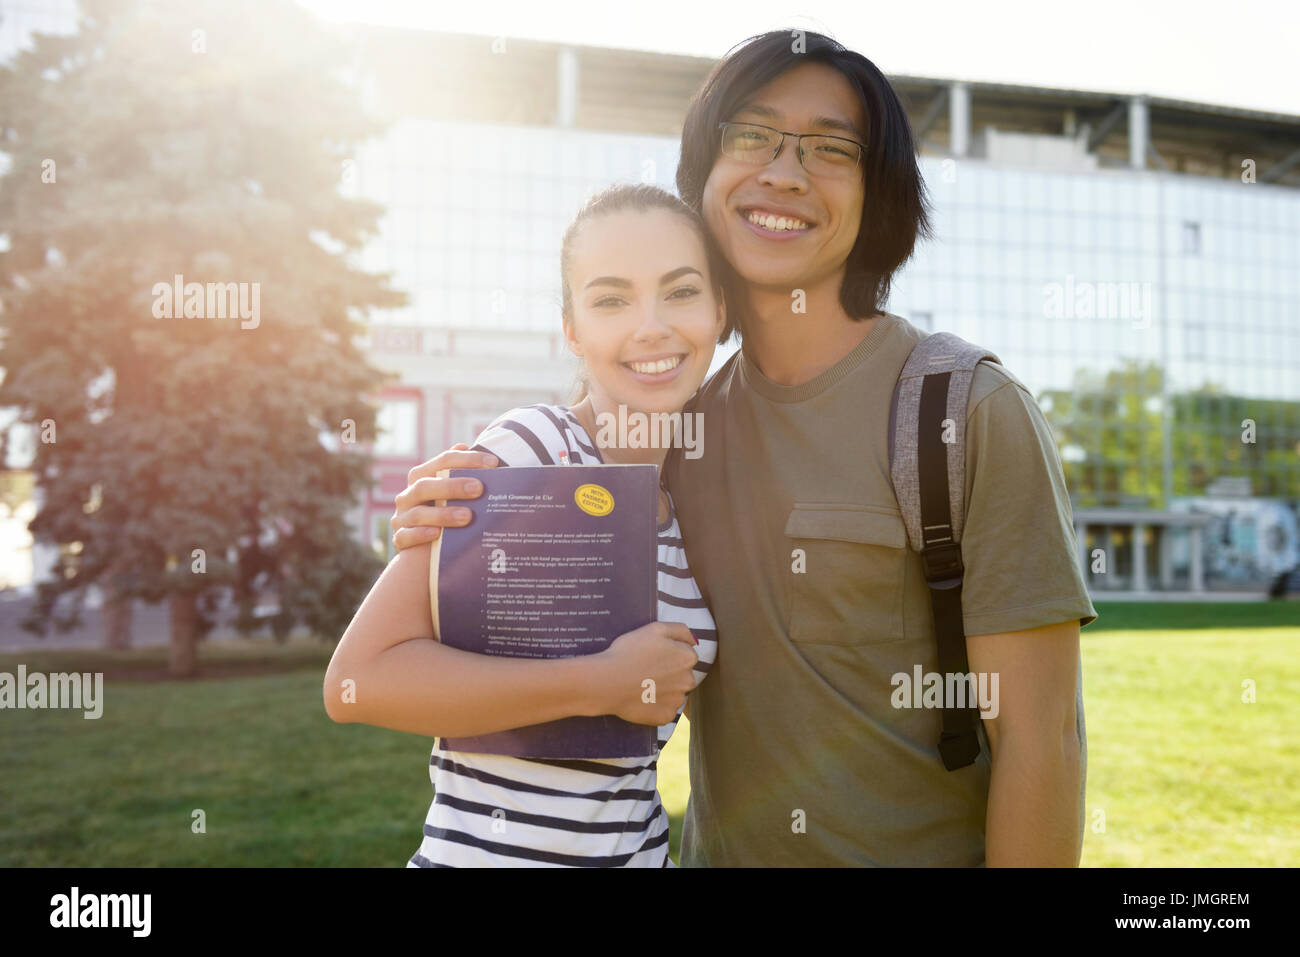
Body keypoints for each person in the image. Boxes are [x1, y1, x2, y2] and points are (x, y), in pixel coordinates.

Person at [390, 30, 1098, 867]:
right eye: (752, 136)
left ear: (881, 197)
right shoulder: (670, 436)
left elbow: (1042, 741)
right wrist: (467, 493)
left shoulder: (966, 411)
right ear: (703, 176)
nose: (784, 172)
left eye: (831, 149)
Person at [324, 183, 723, 866]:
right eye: (611, 299)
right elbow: (359, 679)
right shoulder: (536, 449)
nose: (650, 325)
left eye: (680, 291)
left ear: (720, 309)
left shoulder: (703, 501)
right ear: (572, 328)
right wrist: (602, 679)